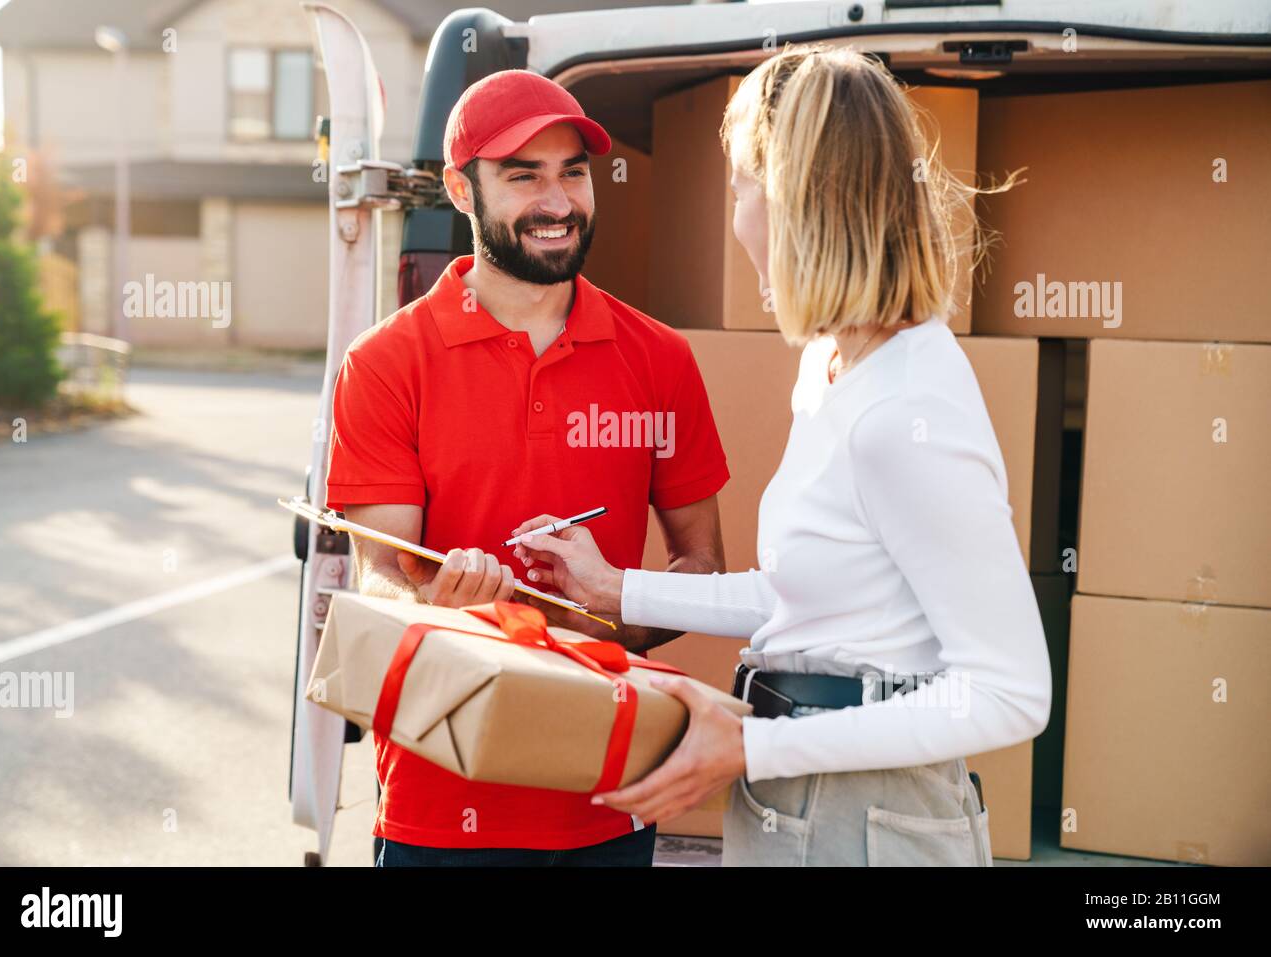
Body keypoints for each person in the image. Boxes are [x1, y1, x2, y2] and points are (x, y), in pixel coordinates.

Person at [510, 46, 1053, 867]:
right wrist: (611, 586)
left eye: (741, 187)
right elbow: (808, 596)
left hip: (869, 809)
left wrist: (756, 750)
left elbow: (1011, 695)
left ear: (799, 198)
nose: (736, 218)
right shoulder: (832, 369)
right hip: (796, 786)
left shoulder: (904, 407)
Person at [324, 70, 732, 867]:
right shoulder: (386, 363)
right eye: (523, 176)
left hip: (609, 792)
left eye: (572, 171)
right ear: (460, 189)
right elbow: (379, 575)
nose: (557, 202)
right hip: (441, 799)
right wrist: (441, 606)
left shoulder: (659, 359)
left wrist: (603, 611)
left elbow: (702, 564)